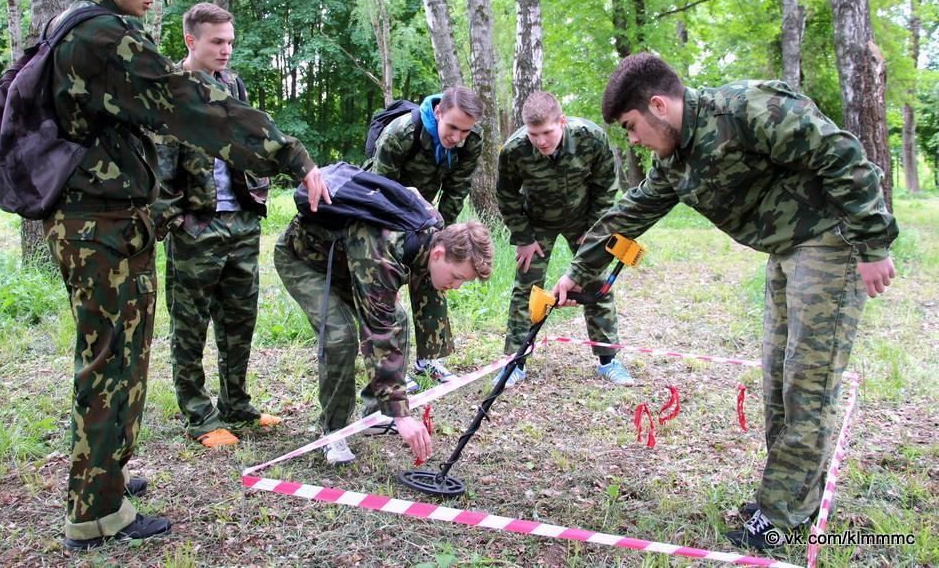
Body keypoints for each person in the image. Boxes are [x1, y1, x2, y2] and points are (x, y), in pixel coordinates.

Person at [42, 0, 328, 550]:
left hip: (101, 221)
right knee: (114, 363)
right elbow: (190, 105)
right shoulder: (102, 35)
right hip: (104, 227)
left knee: (107, 357)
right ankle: (95, 514)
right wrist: (293, 156)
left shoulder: (71, 27)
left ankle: (102, 479)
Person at [552, 53, 898, 550]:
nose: (632, 139)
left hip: (830, 242)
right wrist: (575, 272)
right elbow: (628, 213)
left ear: (658, 106)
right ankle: (791, 497)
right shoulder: (675, 159)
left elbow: (840, 153)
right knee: (778, 377)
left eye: (631, 127)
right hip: (786, 251)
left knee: (808, 380)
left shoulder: (746, 108)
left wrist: (871, 242)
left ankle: (781, 516)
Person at [274, 208, 493, 465]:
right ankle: (334, 431)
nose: (455, 286)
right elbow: (378, 333)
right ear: (438, 253)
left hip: (350, 262)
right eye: (456, 277)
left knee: (397, 318)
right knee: (339, 335)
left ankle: (376, 415)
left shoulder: (431, 229)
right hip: (305, 260)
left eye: (463, 282)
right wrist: (402, 415)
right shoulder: (381, 256)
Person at [154, 3, 279, 449]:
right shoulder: (171, 88)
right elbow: (159, 160)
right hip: (197, 224)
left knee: (239, 318)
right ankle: (198, 415)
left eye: (229, 41)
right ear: (191, 40)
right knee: (190, 324)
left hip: (241, 219)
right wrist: (175, 218)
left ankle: (236, 404)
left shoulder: (232, 83)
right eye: (217, 42)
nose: (226, 50)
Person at [496, 91, 633, 387]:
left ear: (562, 121)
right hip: (536, 223)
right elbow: (506, 195)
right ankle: (515, 362)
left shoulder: (591, 138)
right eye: (534, 134)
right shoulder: (514, 150)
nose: (541, 141)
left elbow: (606, 186)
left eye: (547, 132)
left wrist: (596, 230)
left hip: (584, 220)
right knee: (526, 288)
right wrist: (523, 235)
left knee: (596, 281)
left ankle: (609, 361)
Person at [368, 86, 484, 389]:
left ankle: (429, 357)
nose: (457, 137)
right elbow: (378, 190)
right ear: (438, 112)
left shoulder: (472, 142)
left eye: (465, 131)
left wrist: (443, 234)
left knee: (437, 267)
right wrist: (392, 244)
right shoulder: (401, 133)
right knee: (389, 280)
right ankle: (394, 366)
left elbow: (458, 188)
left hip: (427, 212)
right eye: (453, 128)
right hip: (386, 208)